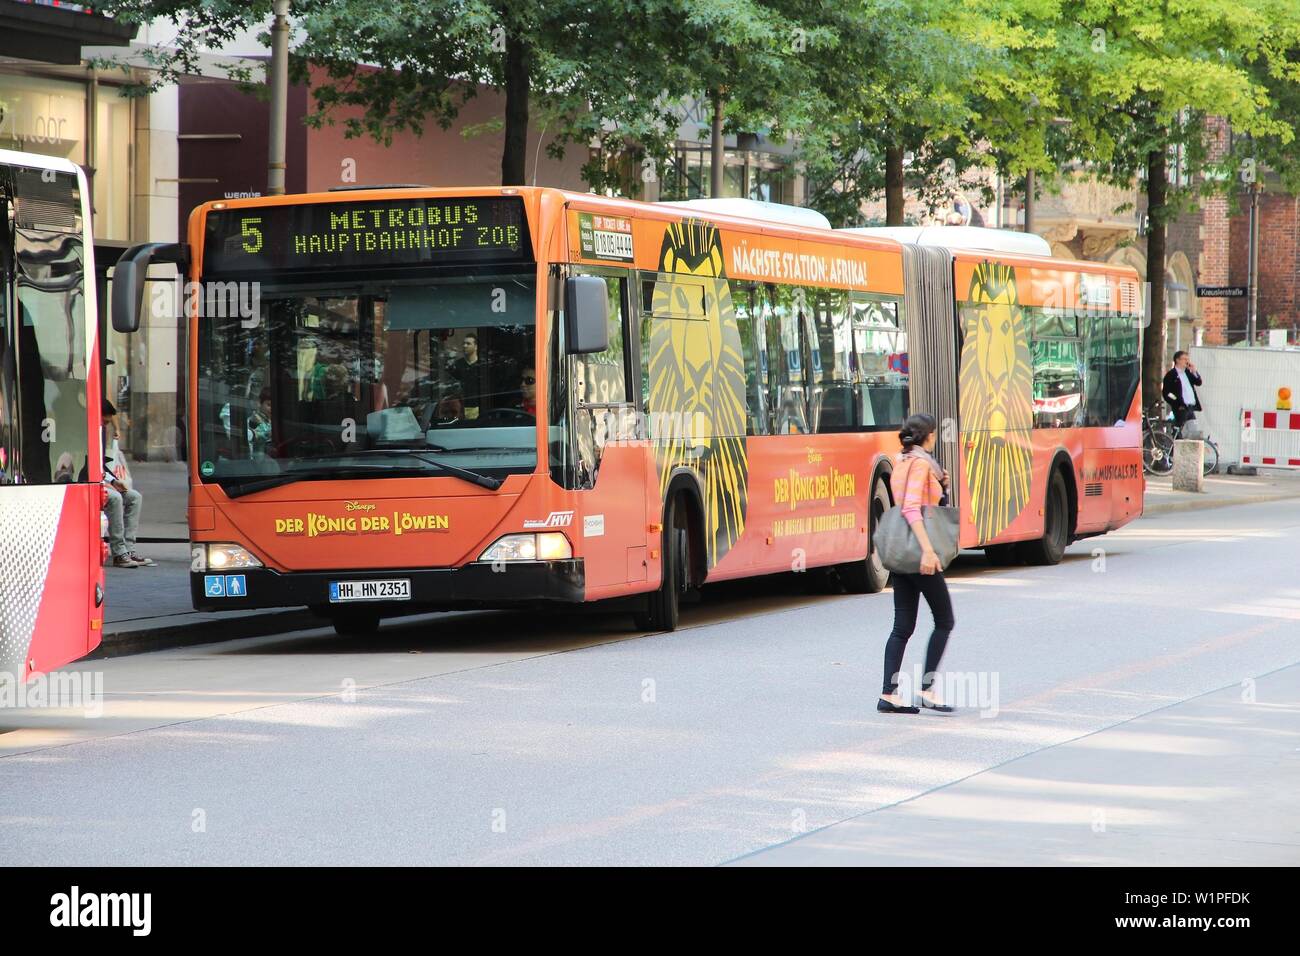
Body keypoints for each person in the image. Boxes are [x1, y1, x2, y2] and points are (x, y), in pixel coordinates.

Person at [879, 413, 955, 715]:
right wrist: (927, 551)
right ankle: (927, 689)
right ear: (929, 436)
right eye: (934, 434)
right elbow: (912, 509)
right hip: (918, 552)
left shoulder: (902, 462)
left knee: (902, 627)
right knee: (945, 620)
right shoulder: (922, 464)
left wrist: (940, 484)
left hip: (899, 552)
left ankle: (889, 694)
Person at [102, 399, 154, 568]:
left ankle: (129, 548)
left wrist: (113, 480)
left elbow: (99, 466)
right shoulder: (85, 434)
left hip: (103, 481)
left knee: (134, 497)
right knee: (115, 498)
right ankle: (119, 552)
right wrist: (107, 483)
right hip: (90, 484)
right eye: (104, 421)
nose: (105, 425)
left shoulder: (99, 434)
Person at [1161, 351, 1203, 430]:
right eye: (1184, 359)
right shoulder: (1171, 375)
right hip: (1181, 408)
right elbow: (1167, 393)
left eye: (1188, 359)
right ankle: (1174, 441)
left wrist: (1194, 371)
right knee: (1181, 430)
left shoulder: (1187, 373)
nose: (1187, 361)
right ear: (1178, 360)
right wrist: (1177, 402)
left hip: (1190, 407)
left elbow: (1198, 382)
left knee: (1192, 430)